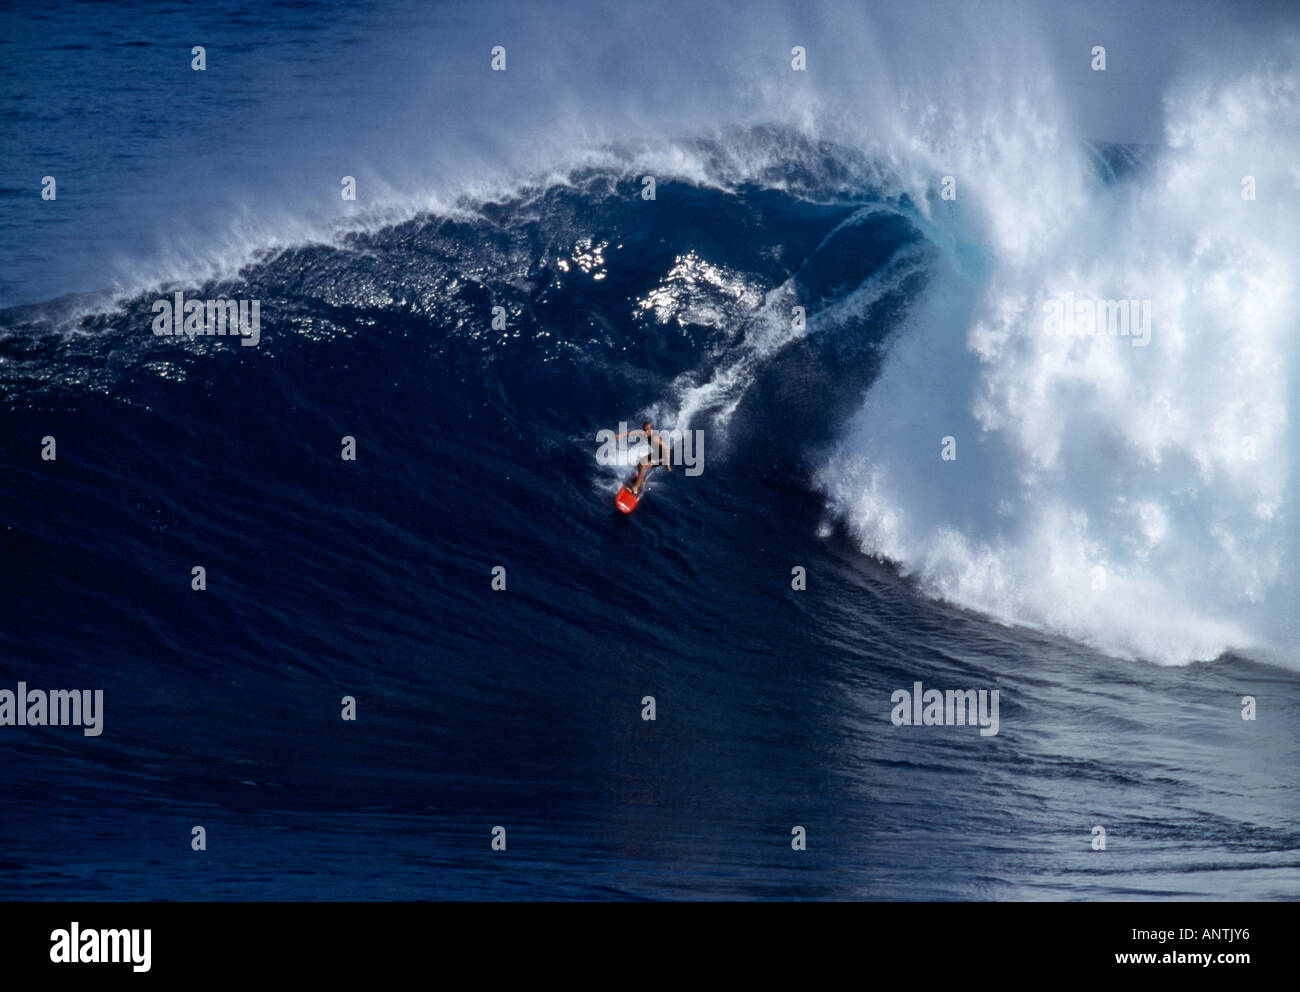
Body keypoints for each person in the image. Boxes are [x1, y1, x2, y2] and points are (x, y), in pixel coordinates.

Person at [616, 420, 672, 495]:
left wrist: (667, 465)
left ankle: (635, 489)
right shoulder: (645, 434)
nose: (646, 431)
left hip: (663, 457)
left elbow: (667, 449)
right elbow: (633, 433)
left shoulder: (655, 438)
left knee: (643, 466)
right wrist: (621, 436)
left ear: (652, 429)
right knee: (639, 463)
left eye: (648, 430)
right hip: (656, 454)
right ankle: (640, 480)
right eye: (644, 430)